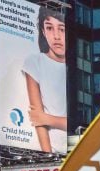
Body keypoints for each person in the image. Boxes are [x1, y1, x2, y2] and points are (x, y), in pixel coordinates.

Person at [22, 4, 67, 153]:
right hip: (52, 153)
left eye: (62, 29)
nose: (56, 36)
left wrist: (47, 119)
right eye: (49, 28)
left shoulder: (77, 69)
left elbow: (80, 123)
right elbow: (37, 116)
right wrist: (48, 156)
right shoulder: (35, 61)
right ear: (43, 31)